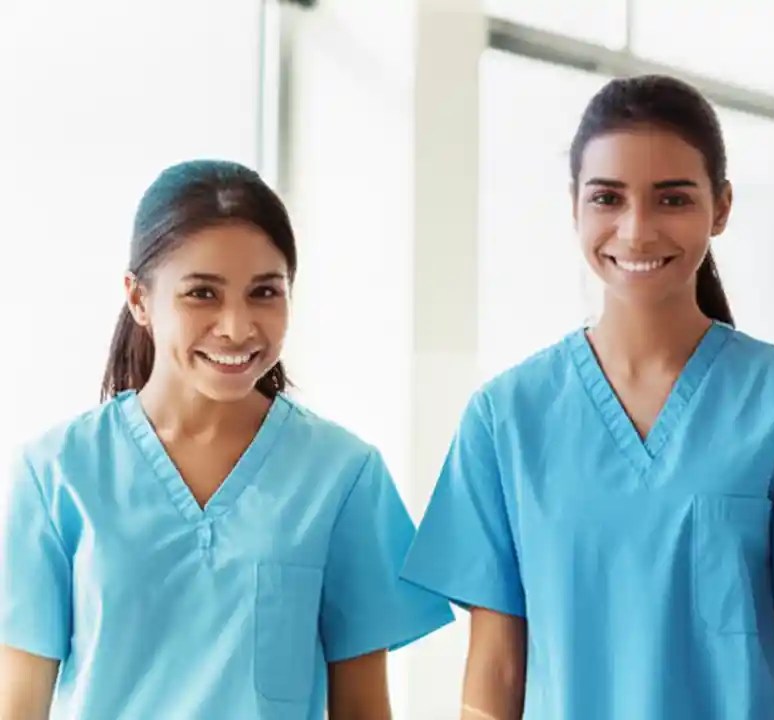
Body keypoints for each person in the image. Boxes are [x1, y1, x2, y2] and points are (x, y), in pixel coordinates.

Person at [400, 75, 774, 720]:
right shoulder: (506, 417)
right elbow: (495, 669)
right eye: (608, 197)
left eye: (672, 199)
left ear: (721, 207)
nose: (636, 230)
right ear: (574, 205)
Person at [0, 160, 453, 719]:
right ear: (139, 299)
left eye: (265, 292)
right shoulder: (54, 474)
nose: (237, 327)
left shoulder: (342, 476)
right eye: (201, 294)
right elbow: (18, 707)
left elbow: (362, 708)